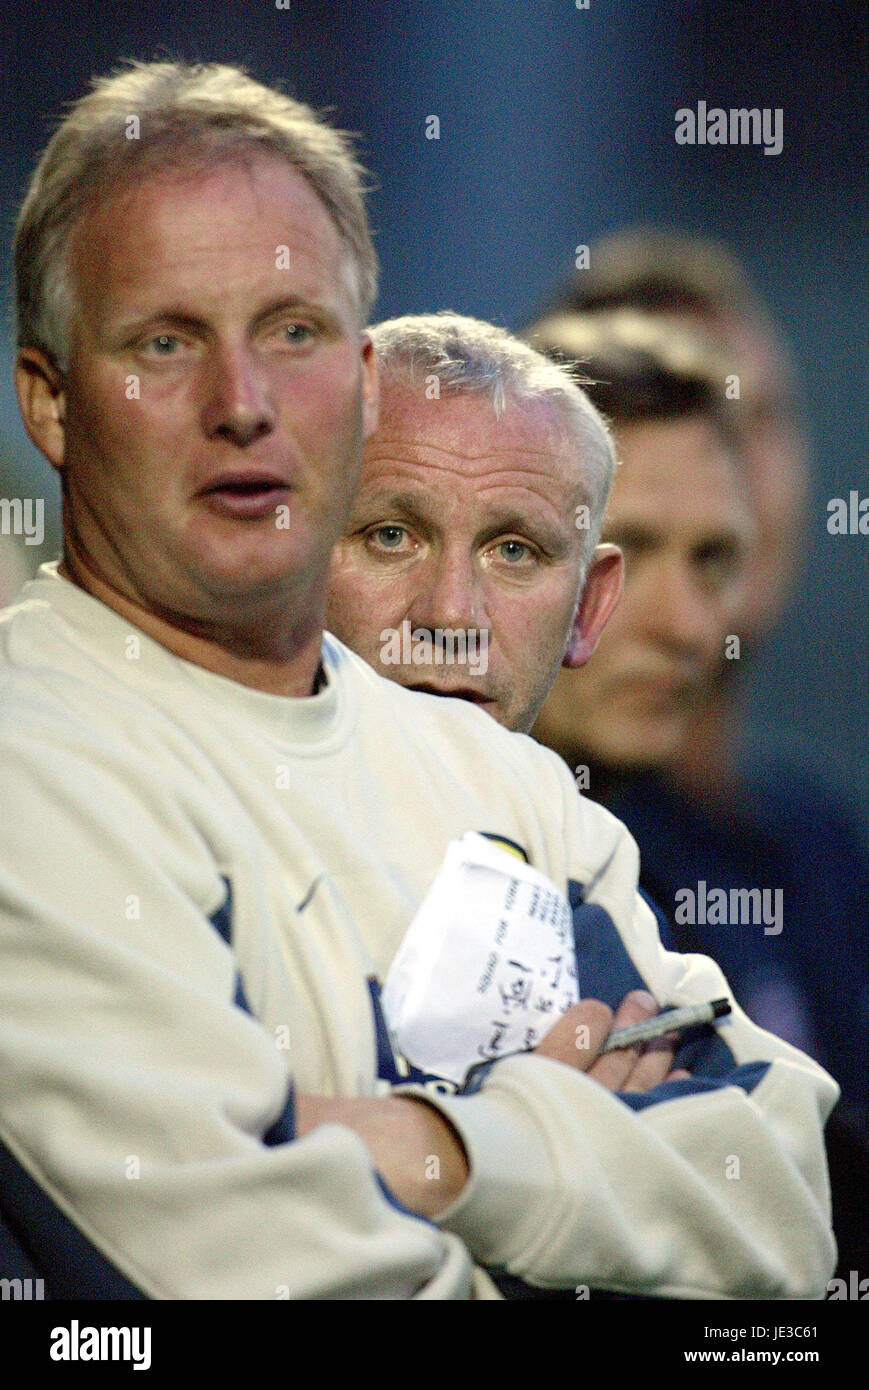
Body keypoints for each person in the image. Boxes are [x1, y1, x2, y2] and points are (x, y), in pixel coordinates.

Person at [0, 61, 837, 1300]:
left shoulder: (504, 781)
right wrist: (576, 1156)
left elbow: (776, 1198)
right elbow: (251, 1271)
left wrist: (440, 1144)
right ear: (51, 404)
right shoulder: (33, 763)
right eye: (165, 341)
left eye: (293, 333)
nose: (243, 403)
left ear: (366, 384)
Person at [526, 310, 869, 1137]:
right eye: (626, 550)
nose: (684, 625)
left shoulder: (769, 850)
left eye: (711, 559)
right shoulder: (402, 868)